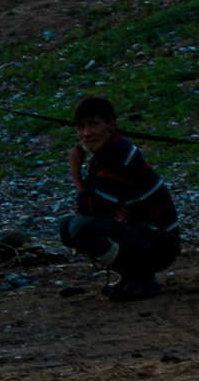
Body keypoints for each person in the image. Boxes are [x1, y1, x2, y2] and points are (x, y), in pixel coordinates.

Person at [58, 95, 184, 300]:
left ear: (111, 125)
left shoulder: (119, 155)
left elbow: (90, 208)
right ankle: (130, 274)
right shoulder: (107, 154)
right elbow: (92, 207)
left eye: (93, 124)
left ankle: (141, 278)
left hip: (159, 243)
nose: (86, 133)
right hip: (143, 233)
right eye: (80, 127)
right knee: (67, 227)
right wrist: (106, 209)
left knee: (79, 229)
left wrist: (75, 172)